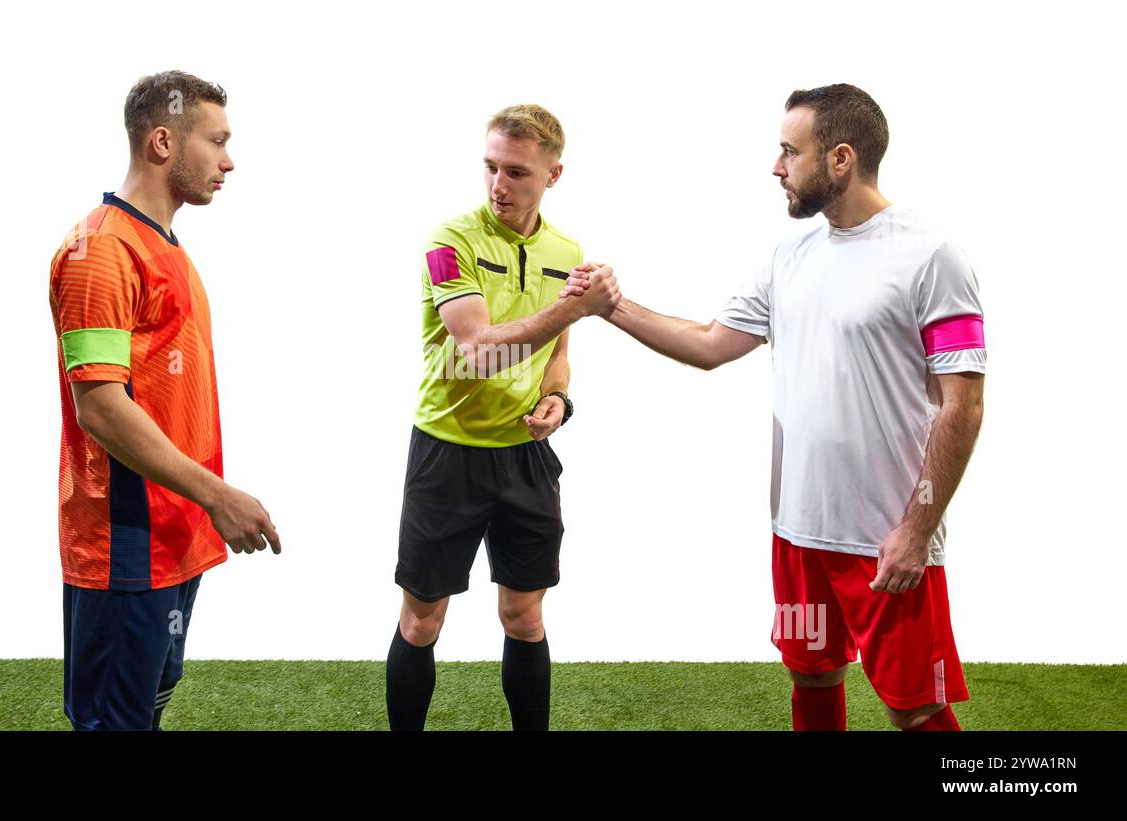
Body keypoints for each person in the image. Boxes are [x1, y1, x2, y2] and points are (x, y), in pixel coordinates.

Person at [562, 84, 985, 731]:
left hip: (887, 540)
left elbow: (964, 404)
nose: (776, 166)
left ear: (840, 159)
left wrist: (917, 531)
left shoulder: (930, 256)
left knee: (916, 708)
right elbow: (709, 344)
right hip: (797, 531)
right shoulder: (791, 255)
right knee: (811, 676)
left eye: (791, 151)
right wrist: (612, 307)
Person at [48, 70, 281, 730]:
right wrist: (217, 493)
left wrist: (203, 503)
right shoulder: (102, 251)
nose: (228, 160)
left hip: (175, 536)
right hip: (127, 544)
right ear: (161, 142)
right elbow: (100, 406)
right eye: (216, 141)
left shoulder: (165, 247)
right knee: (113, 722)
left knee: (145, 710)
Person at [387, 104, 621, 731]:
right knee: (422, 621)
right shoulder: (449, 242)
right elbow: (477, 350)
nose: (498, 184)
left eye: (516, 171)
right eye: (490, 166)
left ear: (554, 174)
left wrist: (559, 400)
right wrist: (575, 310)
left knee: (525, 616)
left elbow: (558, 353)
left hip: (524, 457)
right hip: (446, 451)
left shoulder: (567, 251)